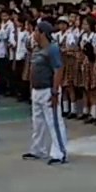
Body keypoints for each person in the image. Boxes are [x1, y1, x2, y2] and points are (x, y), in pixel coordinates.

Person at [25, 20, 68, 165]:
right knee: (38, 122)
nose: (34, 34)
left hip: (48, 89)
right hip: (37, 90)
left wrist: (55, 91)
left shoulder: (53, 49)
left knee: (54, 121)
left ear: (43, 33)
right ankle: (38, 149)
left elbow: (58, 70)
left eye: (36, 31)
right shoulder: (37, 49)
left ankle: (59, 152)